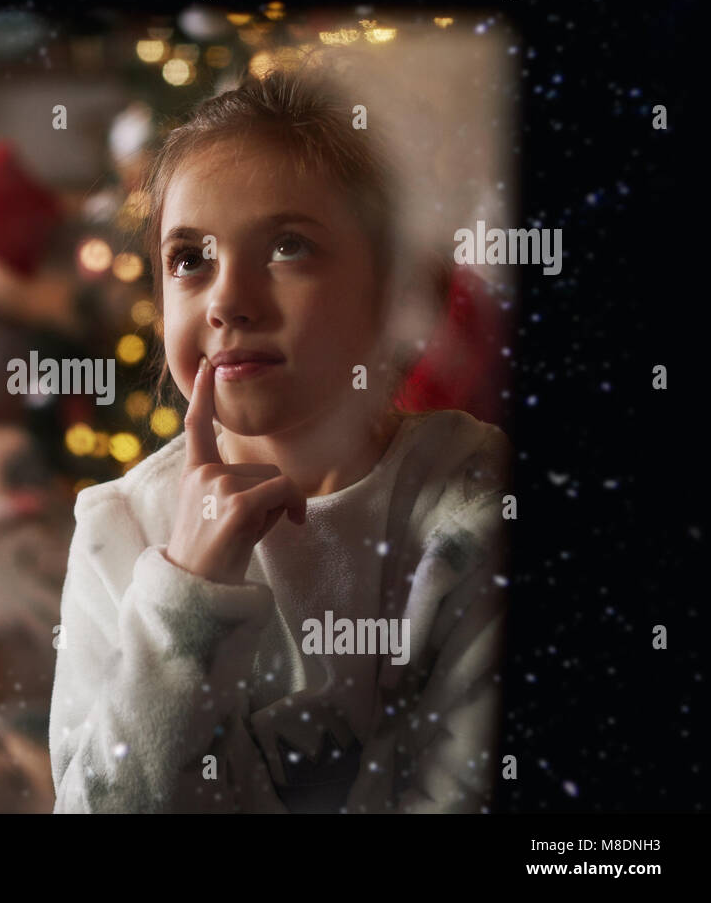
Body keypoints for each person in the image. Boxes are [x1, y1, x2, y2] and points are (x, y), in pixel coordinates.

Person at [48, 61, 514, 813]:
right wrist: (185, 599)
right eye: (190, 258)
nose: (228, 298)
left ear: (385, 286)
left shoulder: (471, 511)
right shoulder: (121, 532)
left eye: (288, 246)